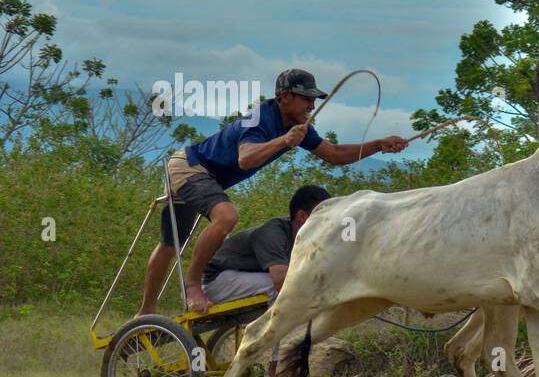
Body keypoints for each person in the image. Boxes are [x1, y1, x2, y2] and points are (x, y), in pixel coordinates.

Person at [135, 68, 407, 317]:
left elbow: (334, 154)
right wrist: (284, 141)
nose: (312, 105)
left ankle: (144, 314)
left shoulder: (298, 127)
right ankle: (193, 285)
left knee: (170, 243)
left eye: (314, 100)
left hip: (206, 177)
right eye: (306, 98)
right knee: (227, 217)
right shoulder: (261, 119)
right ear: (285, 96)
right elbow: (245, 158)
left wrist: (378, 144)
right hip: (190, 167)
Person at [201, 184, 332, 305]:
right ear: (302, 216)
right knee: (285, 287)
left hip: (239, 277)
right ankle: (278, 331)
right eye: (323, 217)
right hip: (215, 281)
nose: (328, 223)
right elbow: (280, 280)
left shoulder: (303, 236)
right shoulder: (274, 233)